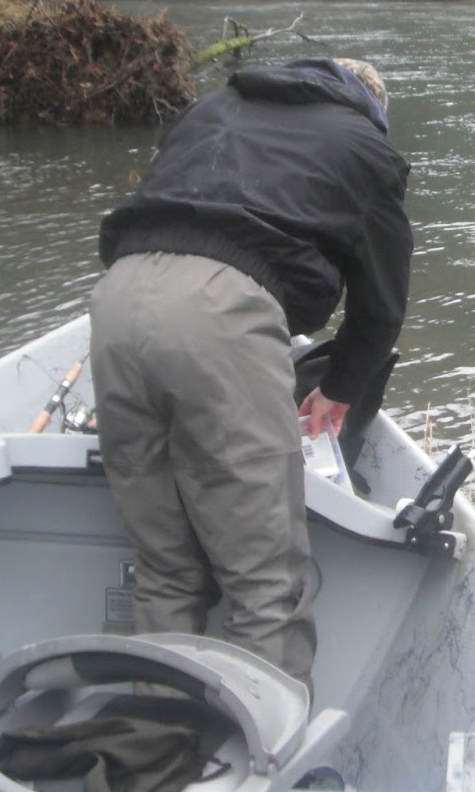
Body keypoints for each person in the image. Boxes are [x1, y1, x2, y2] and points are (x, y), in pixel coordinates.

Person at [89, 55, 412, 690]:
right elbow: (380, 309)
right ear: (370, 109)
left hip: (116, 302)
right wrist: (340, 389)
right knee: (264, 587)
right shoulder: (365, 146)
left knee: (164, 570)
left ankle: (152, 755)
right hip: (221, 315)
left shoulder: (209, 109)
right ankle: (261, 763)